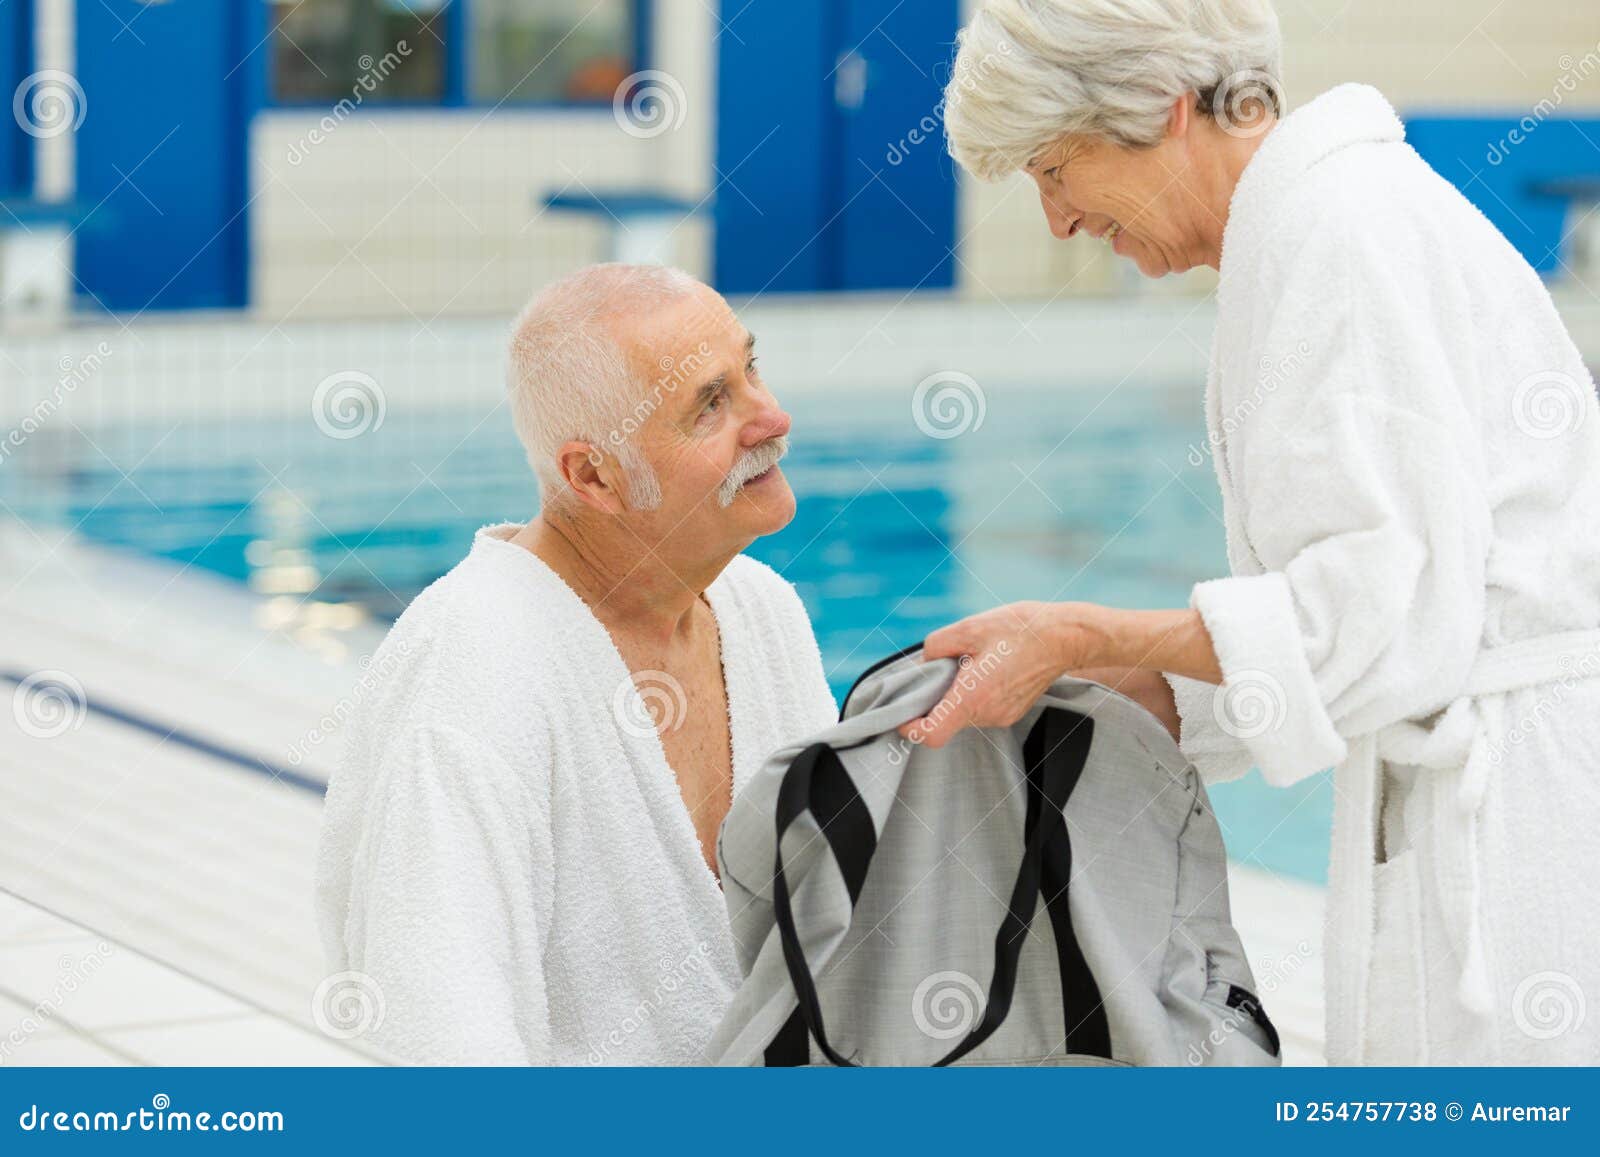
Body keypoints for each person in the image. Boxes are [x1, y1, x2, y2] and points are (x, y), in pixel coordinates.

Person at [914, 0, 1600, 1064]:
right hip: (1488, 781)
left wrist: (1085, 633)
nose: (1056, 220)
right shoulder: (1316, 223)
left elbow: (1379, 621)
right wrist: (1128, 688)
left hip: (1521, 825)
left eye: (1052, 169)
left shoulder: (1339, 234)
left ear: (1159, 107)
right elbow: (1357, 617)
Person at [315, 264, 837, 1064]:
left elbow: (845, 918)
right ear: (594, 476)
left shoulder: (761, 611)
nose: (772, 417)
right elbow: (439, 1041)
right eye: (710, 404)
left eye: (751, 368)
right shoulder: (475, 677)